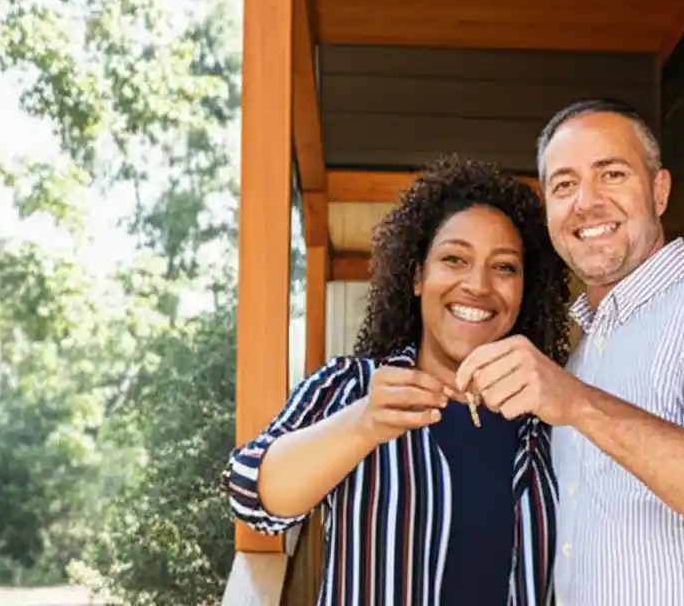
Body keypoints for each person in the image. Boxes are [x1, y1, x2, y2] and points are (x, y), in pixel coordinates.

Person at [455, 99, 684, 605]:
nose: (585, 203)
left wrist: (579, 404)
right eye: (564, 185)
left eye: (611, 174)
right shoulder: (583, 355)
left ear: (660, 190)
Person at [223, 155, 571, 606]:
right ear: (417, 277)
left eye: (504, 267)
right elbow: (252, 500)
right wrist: (362, 425)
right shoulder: (350, 387)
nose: (478, 285)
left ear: (526, 290)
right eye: (454, 259)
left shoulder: (548, 424)